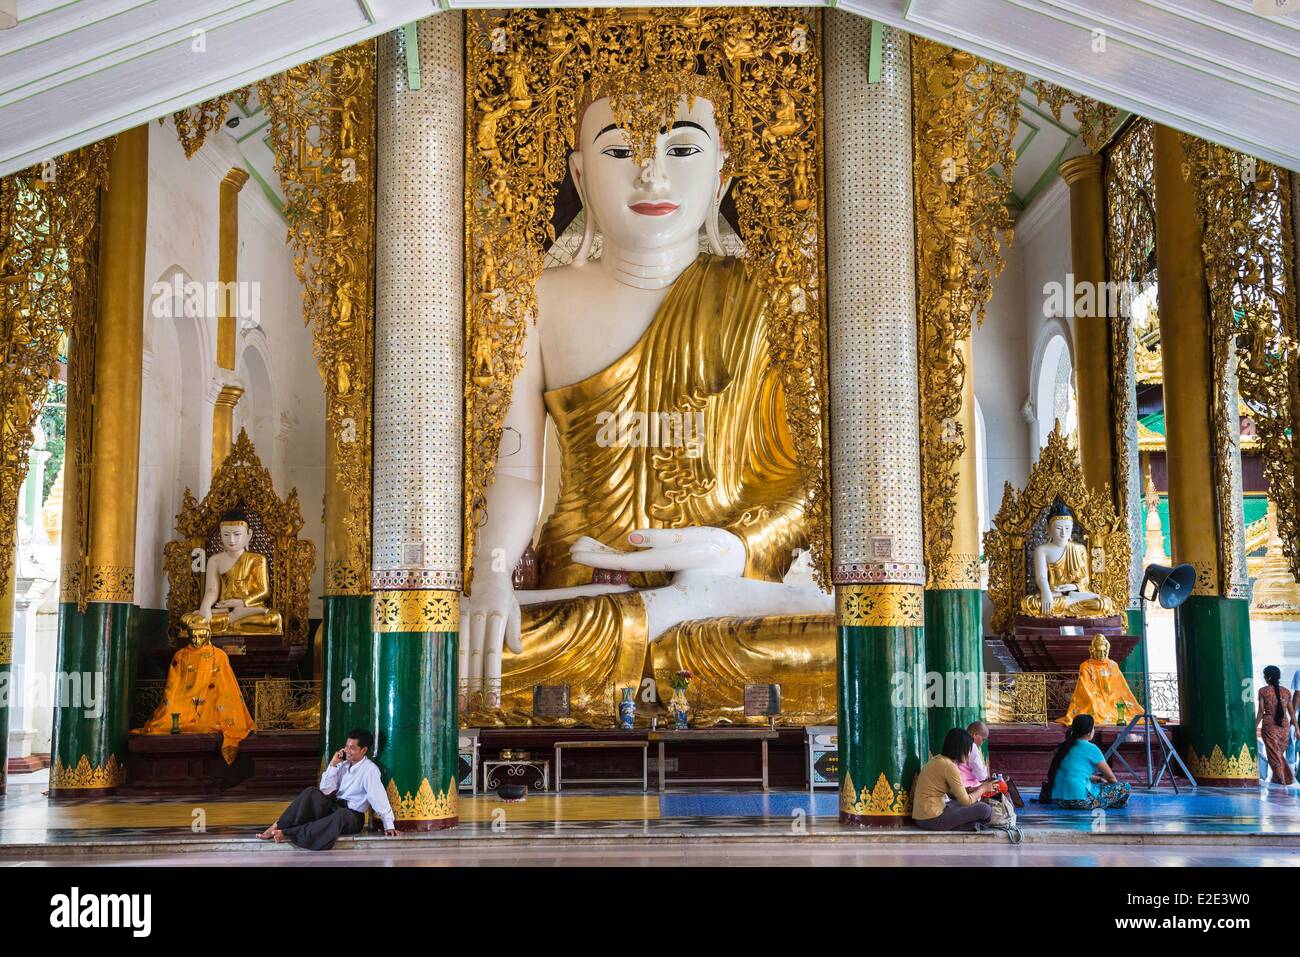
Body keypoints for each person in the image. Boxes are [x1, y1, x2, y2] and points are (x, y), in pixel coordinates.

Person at [257, 728, 398, 849]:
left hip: (352, 816)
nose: (347, 751)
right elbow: (325, 790)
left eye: (352, 748)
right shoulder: (342, 765)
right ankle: (277, 826)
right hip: (335, 807)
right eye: (347, 746)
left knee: (340, 815)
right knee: (311, 792)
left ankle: (289, 833)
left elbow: (377, 796)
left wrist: (389, 824)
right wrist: (333, 765)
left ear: (364, 750)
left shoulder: (370, 770)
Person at [912, 728, 999, 831]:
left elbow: (953, 793)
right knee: (985, 809)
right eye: (969, 749)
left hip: (923, 817)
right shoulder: (949, 766)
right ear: (961, 749)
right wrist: (983, 789)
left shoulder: (939, 759)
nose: (969, 753)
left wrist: (977, 788)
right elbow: (966, 801)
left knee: (973, 803)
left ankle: (967, 825)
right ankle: (965, 826)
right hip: (933, 819)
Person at [1046, 714, 1131, 810]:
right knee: (1125, 787)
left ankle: (1103, 801)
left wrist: (1097, 778)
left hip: (1060, 801)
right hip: (1081, 801)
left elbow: (1072, 772)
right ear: (1088, 732)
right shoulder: (1092, 748)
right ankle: (1109, 804)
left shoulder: (1063, 747)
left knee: (1097, 786)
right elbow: (1112, 779)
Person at [1257, 665, 1294, 786]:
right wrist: (1297, 728)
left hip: (1270, 727)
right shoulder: (1286, 692)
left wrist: (1254, 726)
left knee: (1274, 755)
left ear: (1267, 677)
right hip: (1284, 727)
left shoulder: (1263, 691)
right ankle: (1280, 779)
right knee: (1277, 755)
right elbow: (1291, 712)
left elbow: (1261, 711)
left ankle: (1282, 781)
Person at [957, 720, 989, 789]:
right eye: (982, 739)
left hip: (956, 782)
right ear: (975, 734)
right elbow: (981, 775)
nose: (982, 743)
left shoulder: (959, 743)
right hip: (967, 785)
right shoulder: (972, 746)